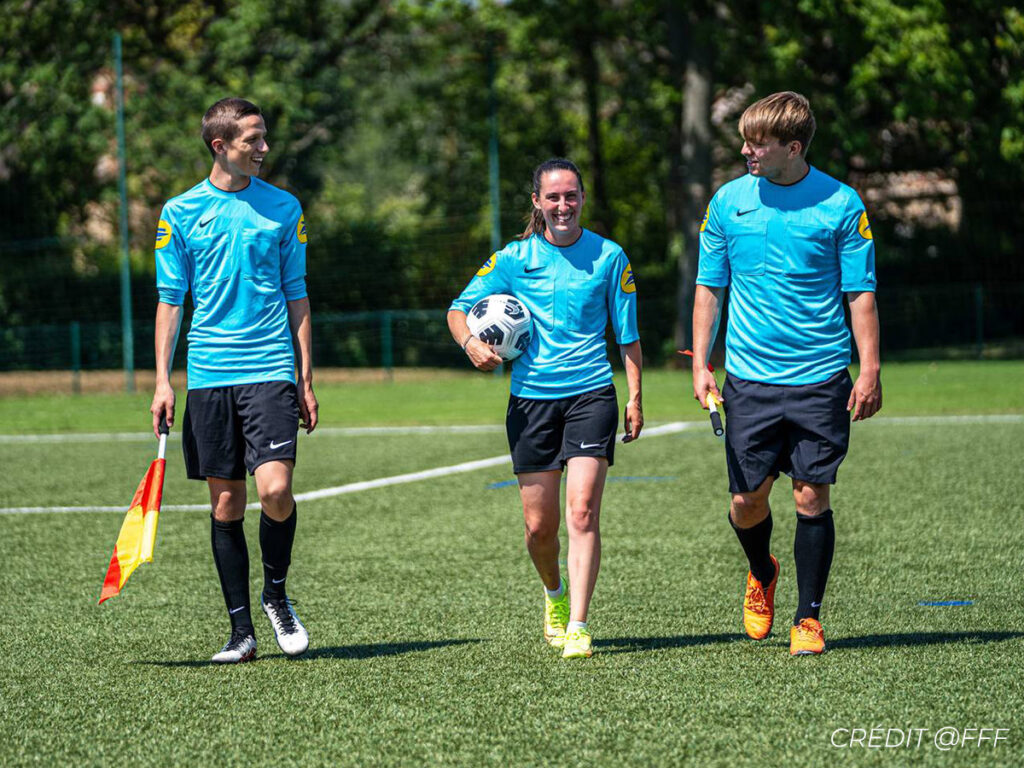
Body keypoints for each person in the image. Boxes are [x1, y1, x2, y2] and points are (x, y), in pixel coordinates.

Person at [691, 92, 881, 656]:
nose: (746, 150)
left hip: (821, 377)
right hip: (748, 379)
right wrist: (702, 364)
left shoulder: (842, 204)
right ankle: (762, 571)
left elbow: (861, 294)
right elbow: (710, 287)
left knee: (809, 497)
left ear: (793, 148)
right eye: (745, 140)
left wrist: (868, 370)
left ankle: (808, 617)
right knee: (747, 502)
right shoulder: (727, 203)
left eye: (757, 143)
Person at [447, 158, 643, 659]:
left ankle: (579, 623)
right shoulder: (513, 259)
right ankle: (553, 594)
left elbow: (628, 336)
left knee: (582, 511)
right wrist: (471, 343)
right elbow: (456, 309)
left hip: (591, 395)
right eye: (552, 197)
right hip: (531, 403)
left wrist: (636, 396)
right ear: (537, 202)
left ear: (582, 199)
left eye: (571, 195)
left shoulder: (610, 256)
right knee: (540, 528)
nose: (563, 205)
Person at [150, 97, 318, 663]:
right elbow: (171, 302)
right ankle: (241, 631)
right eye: (253, 140)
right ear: (220, 146)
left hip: (269, 369)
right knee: (226, 506)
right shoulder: (179, 212)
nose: (264, 148)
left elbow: (298, 296)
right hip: (209, 376)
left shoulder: (284, 207)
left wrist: (306, 377)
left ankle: (276, 596)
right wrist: (162, 382)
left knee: (274, 491)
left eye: (264, 137)